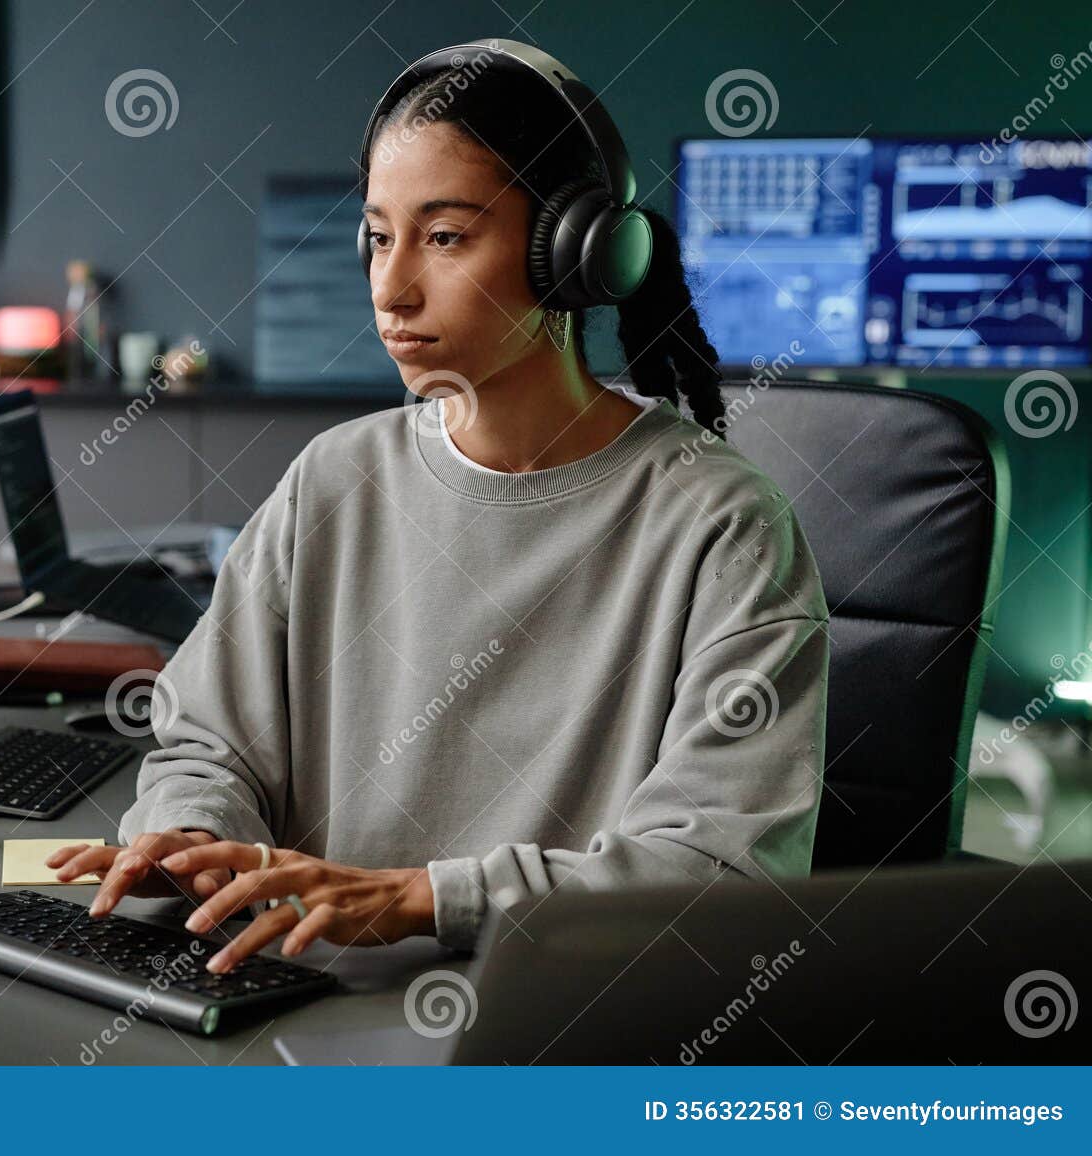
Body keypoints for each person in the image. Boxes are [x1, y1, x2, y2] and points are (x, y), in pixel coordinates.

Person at [48, 42, 829, 976]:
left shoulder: (724, 526)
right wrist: (191, 838)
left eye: (446, 236)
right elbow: (207, 744)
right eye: (380, 236)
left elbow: (719, 872)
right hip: (284, 997)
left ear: (573, 254)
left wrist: (421, 900)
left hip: (547, 1029)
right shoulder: (333, 479)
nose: (391, 286)